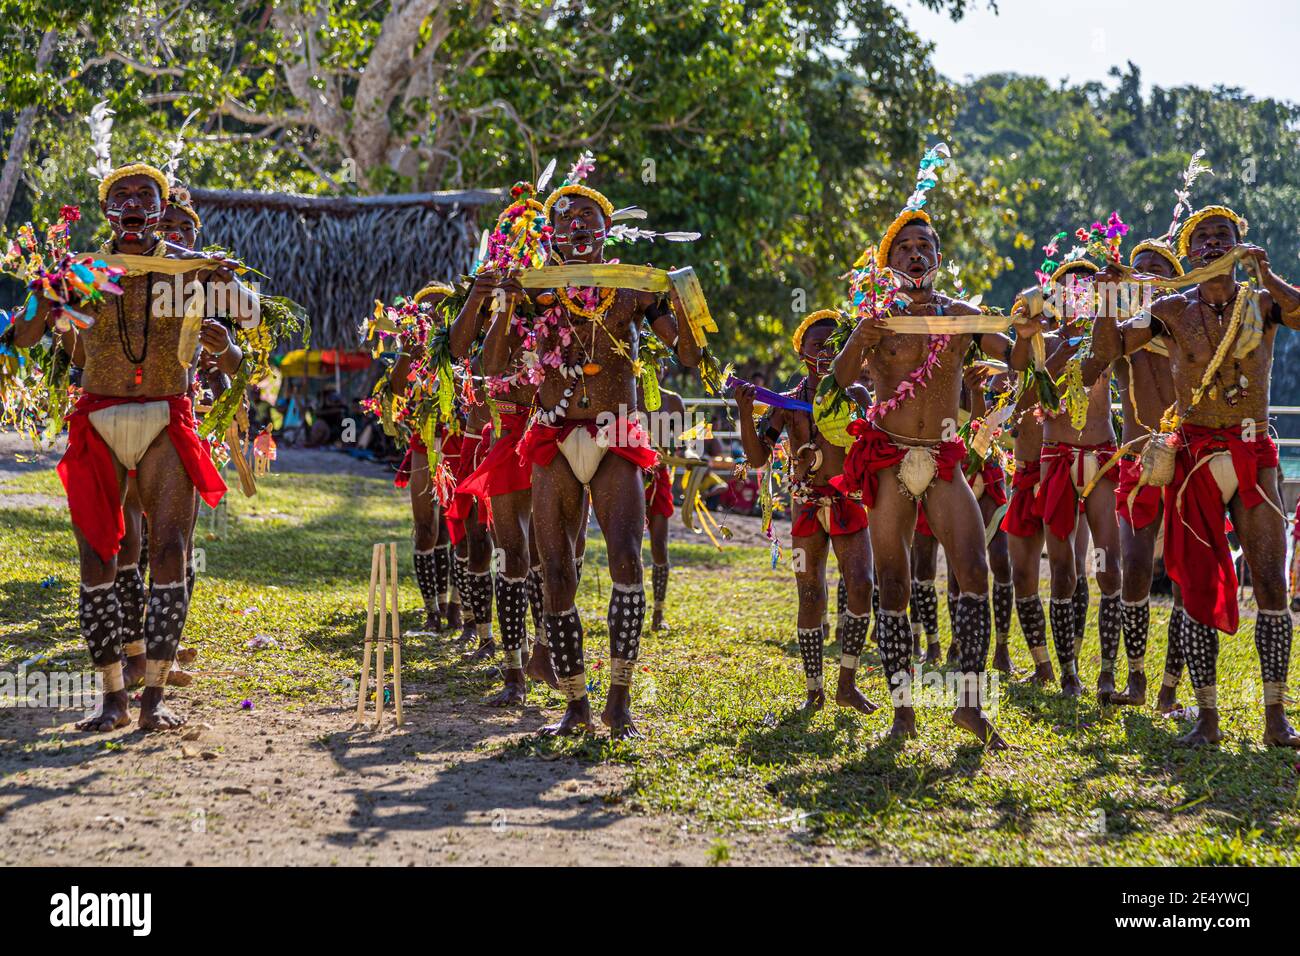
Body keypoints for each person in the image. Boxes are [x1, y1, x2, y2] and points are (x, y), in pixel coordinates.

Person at [13, 163, 256, 731]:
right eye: (120, 195)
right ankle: (112, 700)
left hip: (166, 418)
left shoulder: (184, 269)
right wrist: (44, 297)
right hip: (97, 417)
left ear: (158, 207)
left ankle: (153, 701)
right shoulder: (87, 273)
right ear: (107, 211)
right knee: (99, 557)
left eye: (143, 194)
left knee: (168, 551)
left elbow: (248, 312)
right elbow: (24, 337)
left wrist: (223, 279)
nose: (132, 202)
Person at [487, 156, 703, 738]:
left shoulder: (630, 287)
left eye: (588, 216)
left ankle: (620, 702)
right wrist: (504, 301)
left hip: (615, 436)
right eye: (566, 217)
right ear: (549, 232)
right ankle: (575, 703)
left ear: (607, 230)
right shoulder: (534, 292)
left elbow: (687, 355)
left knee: (627, 562)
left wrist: (679, 297)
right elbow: (487, 363)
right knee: (554, 569)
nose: (577, 225)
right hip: (553, 437)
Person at [831, 162, 1037, 746]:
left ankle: (970, 704)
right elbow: (839, 380)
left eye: (926, 245)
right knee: (892, 582)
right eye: (905, 247)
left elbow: (1017, 360)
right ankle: (903, 711)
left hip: (945, 459)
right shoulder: (872, 316)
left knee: (972, 569)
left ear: (938, 258)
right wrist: (858, 340)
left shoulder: (962, 315)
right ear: (887, 261)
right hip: (889, 457)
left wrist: (1028, 326)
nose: (916, 254)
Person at [1091, 205, 1300, 746]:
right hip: (1194, 458)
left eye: (1222, 236)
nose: (1212, 243)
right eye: (1202, 237)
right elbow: (1108, 352)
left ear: (1237, 244)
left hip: (1253, 452)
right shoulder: (1172, 309)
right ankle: (1205, 719)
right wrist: (1112, 298)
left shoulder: (1260, 301)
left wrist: (1267, 272)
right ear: (1187, 254)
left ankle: (1276, 718)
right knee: (1195, 587)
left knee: (1272, 584)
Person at [736, 310, 876, 714]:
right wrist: (747, 413)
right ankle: (814, 688)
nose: (827, 352)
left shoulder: (856, 398)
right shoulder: (786, 404)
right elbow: (758, 457)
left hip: (849, 503)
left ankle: (846, 684)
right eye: (818, 346)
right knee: (810, 592)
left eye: (836, 346)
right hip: (806, 507)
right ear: (801, 352)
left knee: (862, 584)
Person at [1085, 239, 1186, 710]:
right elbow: (1098, 360)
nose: (1143, 275)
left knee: (1189, 577)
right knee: (1135, 572)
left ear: (1175, 280)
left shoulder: (1195, 322)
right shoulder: (1127, 333)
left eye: (1156, 270)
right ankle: (1138, 682)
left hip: (1191, 458)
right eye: (1137, 269)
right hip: (1138, 459)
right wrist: (1106, 299)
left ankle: (1169, 689)